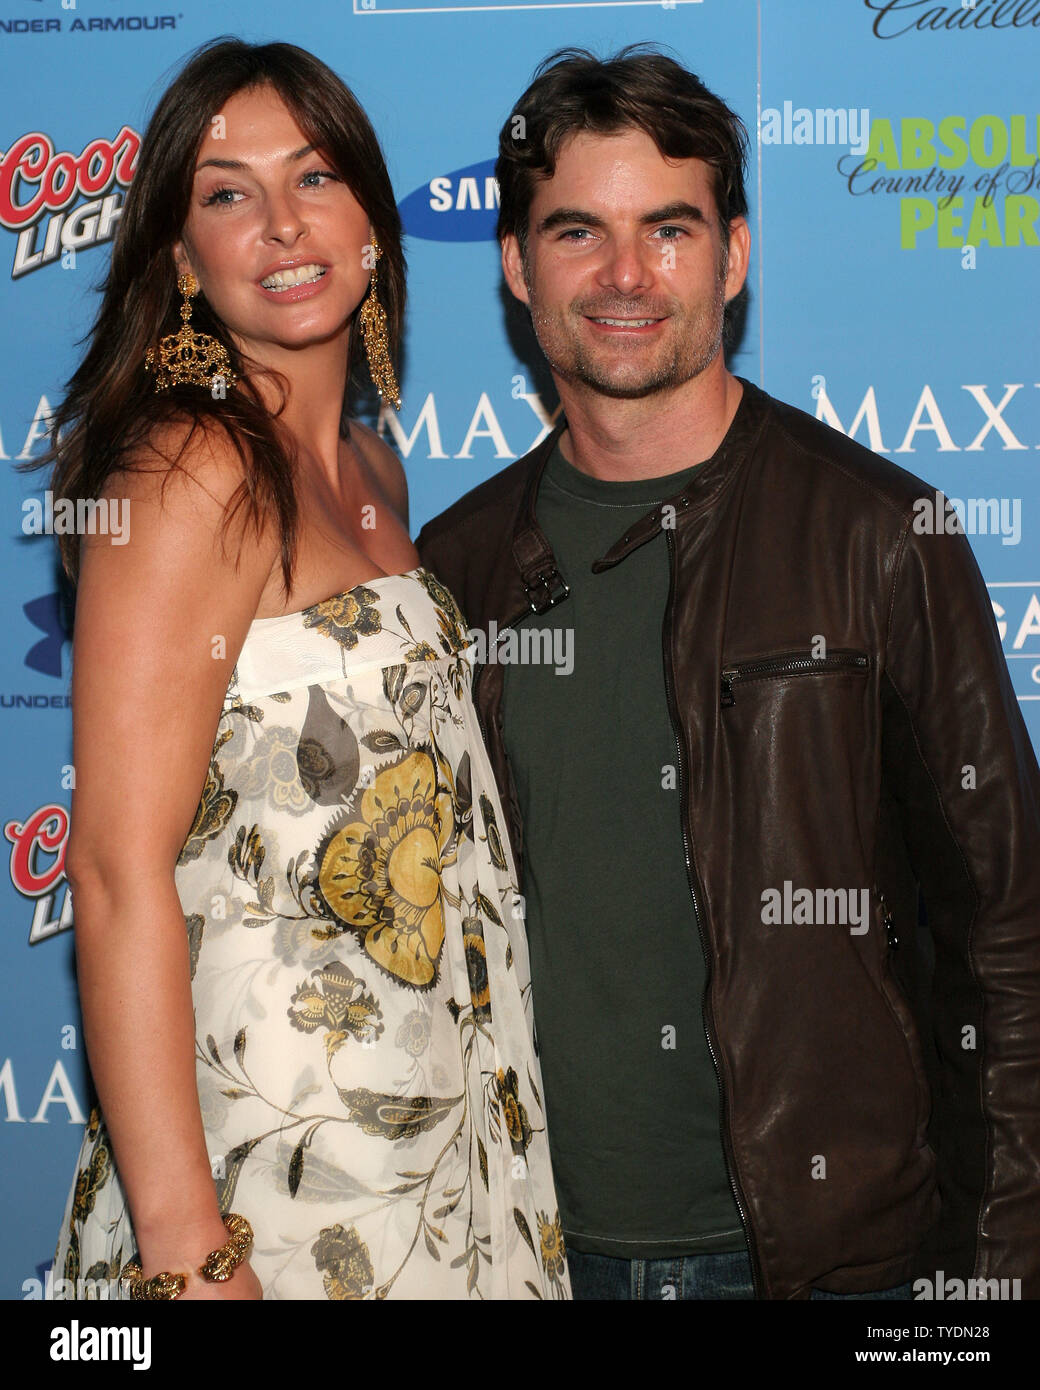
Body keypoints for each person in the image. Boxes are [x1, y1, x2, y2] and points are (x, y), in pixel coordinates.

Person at [416, 46, 1040, 1301]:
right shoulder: (457, 563)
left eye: (670, 229)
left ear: (733, 255)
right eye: (577, 230)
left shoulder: (877, 531)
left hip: (827, 1264)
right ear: (514, 264)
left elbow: (1007, 939)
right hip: (521, 1251)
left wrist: (989, 1278)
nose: (626, 275)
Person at [35, 38, 569, 1301]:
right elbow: (113, 876)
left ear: (374, 228)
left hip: (439, 1121)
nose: (280, 224)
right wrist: (187, 1252)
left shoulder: (376, 478)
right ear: (179, 257)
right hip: (272, 1162)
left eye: (315, 178)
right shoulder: (189, 475)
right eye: (226, 193)